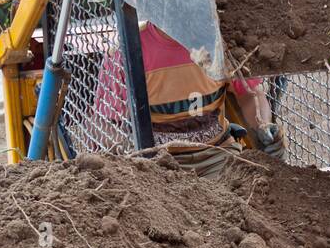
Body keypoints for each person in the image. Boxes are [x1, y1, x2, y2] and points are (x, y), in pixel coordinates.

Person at [92, 22, 284, 173]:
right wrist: (126, 147)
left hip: (219, 158)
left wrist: (263, 126)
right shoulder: (126, 50)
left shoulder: (220, 41)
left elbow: (250, 96)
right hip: (157, 167)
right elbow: (104, 124)